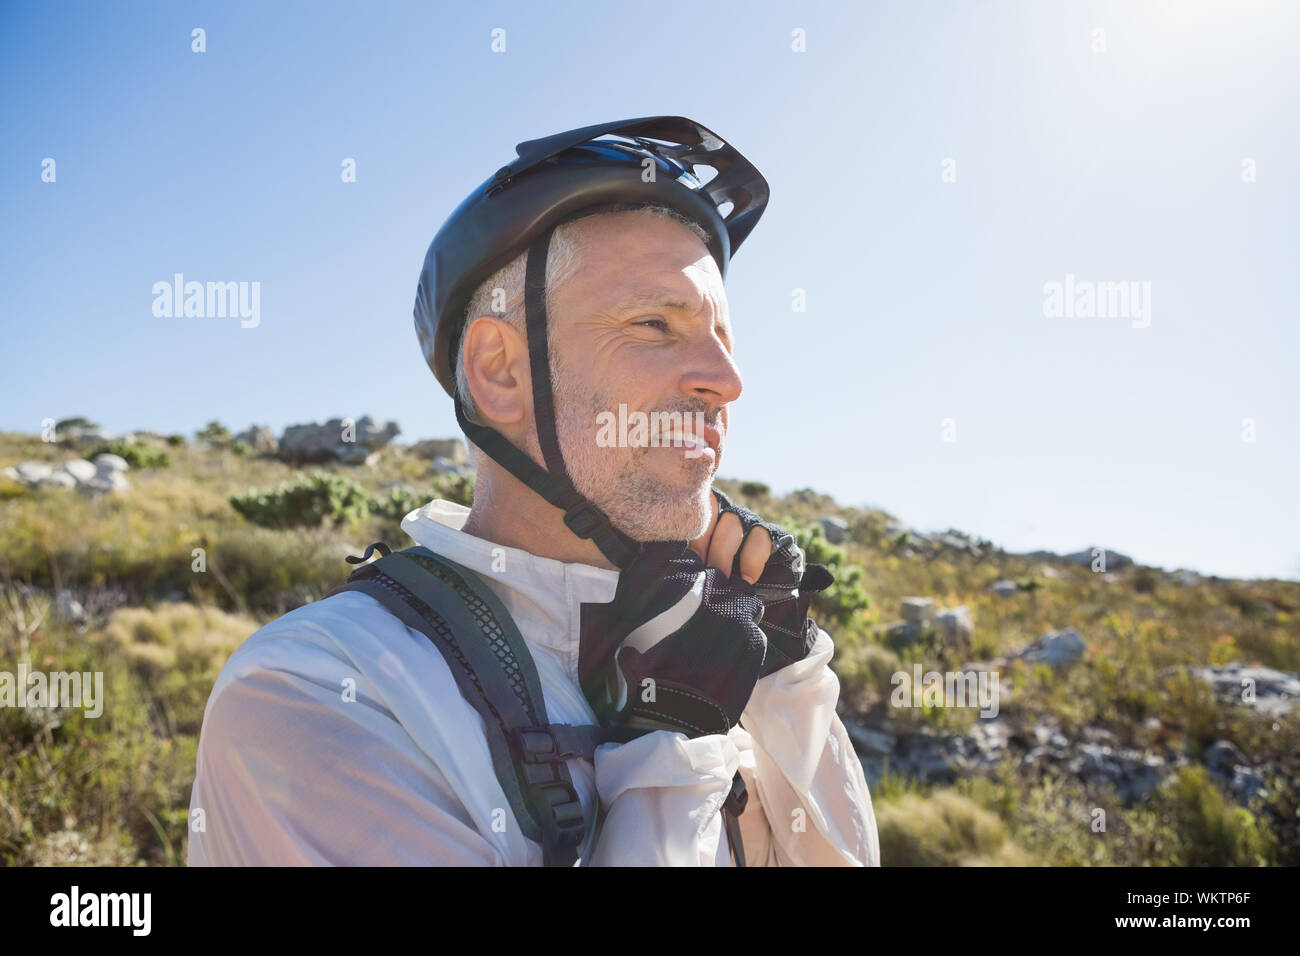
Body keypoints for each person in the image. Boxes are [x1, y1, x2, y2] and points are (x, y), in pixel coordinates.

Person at [188, 116, 880, 866]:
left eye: (724, 343)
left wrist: (787, 681)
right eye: (655, 325)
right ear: (501, 372)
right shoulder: (318, 689)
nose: (727, 382)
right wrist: (672, 747)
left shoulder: (704, 647)